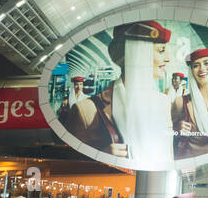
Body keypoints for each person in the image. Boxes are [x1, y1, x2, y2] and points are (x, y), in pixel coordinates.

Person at [59, 20, 174, 166]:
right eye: (161, 50)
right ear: (137, 52)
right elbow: (67, 166)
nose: (168, 58)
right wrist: (101, 158)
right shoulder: (86, 111)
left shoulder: (163, 103)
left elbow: (169, 157)